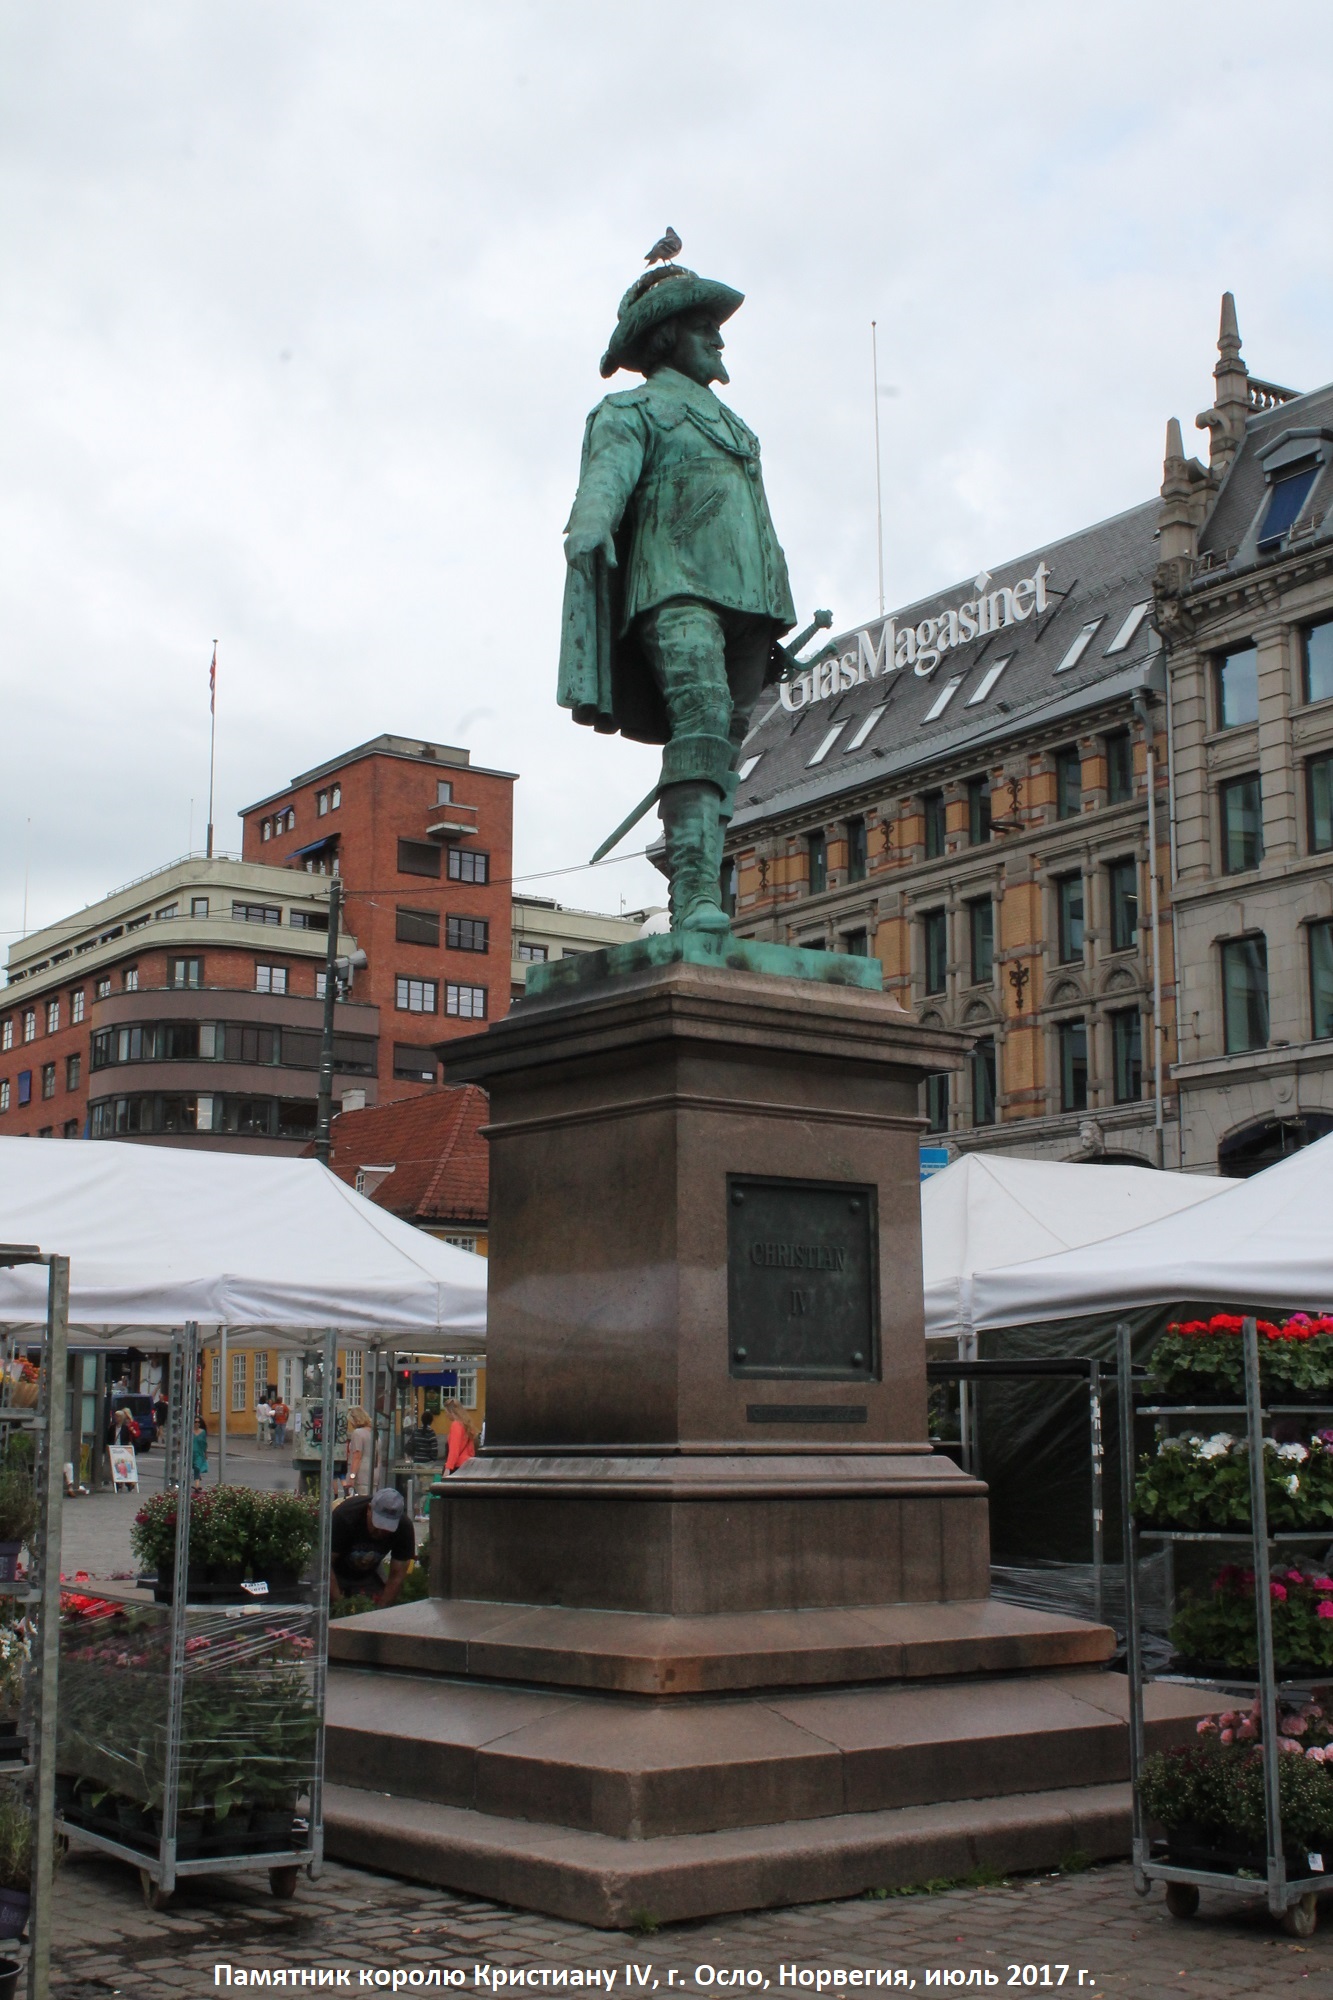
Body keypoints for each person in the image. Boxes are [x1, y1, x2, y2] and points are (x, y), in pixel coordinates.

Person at [558, 253, 797, 933]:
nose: (718, 339)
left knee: (723, 747)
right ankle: (693, 894)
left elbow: (759, 522)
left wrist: (776, 609)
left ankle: (706, 889)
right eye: (703, 326)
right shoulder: (632, 412)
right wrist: (590, 526)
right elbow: (605, 480)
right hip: (674, 590)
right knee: (698, 727)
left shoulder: (735, 426)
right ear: (666, 336)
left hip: (750, 604)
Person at [329, 1487, 414, 1607]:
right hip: (336, 1570)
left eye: (387, 1528)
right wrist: (340, 1607)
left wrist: (381, 1610)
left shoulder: (404, 1526)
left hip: (369, 1573)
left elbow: (397, 1575)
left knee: (375, 1603)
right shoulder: (345, 1515)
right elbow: (325, 1564)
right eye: (378, 1523)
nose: (380, 1531)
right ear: (369, 1509)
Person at [343, 1406, 373, 1497]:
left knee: (359, 1502)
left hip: (361, 1474)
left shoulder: (357, 1433)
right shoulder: (373, 1432)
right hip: (373, 1473)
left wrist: (352, 1477)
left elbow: (357, 1456)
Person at [443, 1403, 476, 1474]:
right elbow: (471, 1450)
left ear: (451, 1412)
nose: (446, 1415)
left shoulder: (456, 1425)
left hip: (457, 1466)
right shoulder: (467, 1425)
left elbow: (454, 1449)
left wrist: (448, 1467)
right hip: (468, 1464)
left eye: (446, 1412)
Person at [191, 1414, 209, 1488]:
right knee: (194, 1467)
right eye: (195, 1422)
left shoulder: (203, 1432)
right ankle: (198, 1477)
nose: (197, 1423)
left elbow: (204, 1443)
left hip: (199, 1453)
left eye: (199, 1422)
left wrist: (205, 1453)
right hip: (191, 1453)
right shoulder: (190, 1432)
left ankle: (197, 1486)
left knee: (197, 1467)